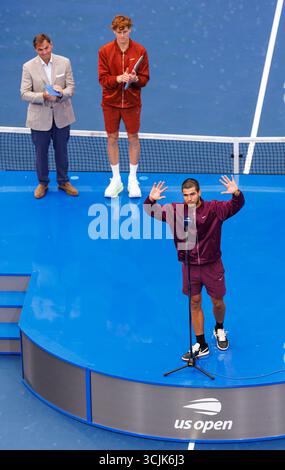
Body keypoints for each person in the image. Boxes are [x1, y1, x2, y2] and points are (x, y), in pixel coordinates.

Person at [144, 175, 245, 360]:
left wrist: (236, 194)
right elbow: (152, 212)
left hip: (212, 265)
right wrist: (150, 200)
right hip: (189, 266)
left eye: (192, 194)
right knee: (195, 302)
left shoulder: (215, 209)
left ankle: (219, 328)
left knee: (218, 302)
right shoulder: (176, 211)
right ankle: (201, 343)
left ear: (199, 193)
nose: (189, 198)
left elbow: (236, 205)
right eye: (185, 195)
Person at [20, 33, 78, 199]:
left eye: (46, 48)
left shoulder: (64, 62)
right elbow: (24, 93)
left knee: (62, 151)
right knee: (41, 153)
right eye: (40, 50)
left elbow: (71, 88)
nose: (44, 52)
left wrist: (61, 94)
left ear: (51, 45)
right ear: (35, 49)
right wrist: (43, 96)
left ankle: (63, 181)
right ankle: (43, 183)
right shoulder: (28, 67)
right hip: (39, 119)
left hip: (62, 117)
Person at [98, 15, 150, 198]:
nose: (122, 35)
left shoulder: (140, 50)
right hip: (110, 102)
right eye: (119, 32)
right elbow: (103, 79)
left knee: (133, 137)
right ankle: (116, 179)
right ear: (114, 31)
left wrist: (135, 79)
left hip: (131, 103)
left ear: (130, 30)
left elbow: (145, 79)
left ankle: (133, 179)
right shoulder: (104, 51)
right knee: (112, 137)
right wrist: (119, 78)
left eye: (125, 31)